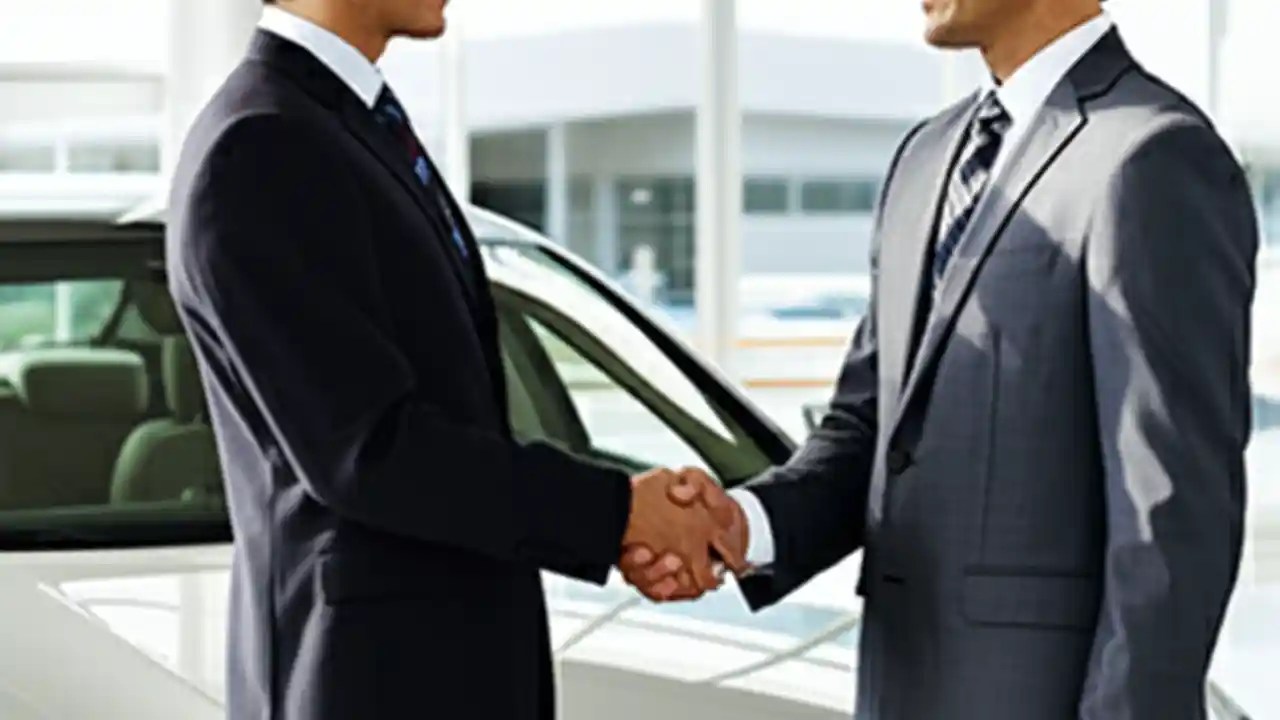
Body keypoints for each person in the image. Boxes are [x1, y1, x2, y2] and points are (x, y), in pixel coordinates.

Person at [623, 1, 1258, 717]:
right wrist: (742, 524)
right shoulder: (925, 158)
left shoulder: (1154, 156)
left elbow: (1170, 515)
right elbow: (870, 430)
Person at [166, 1, 741, 718]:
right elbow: (368, 451)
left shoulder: (342, 121)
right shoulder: (262, 145)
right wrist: (617, 513)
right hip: (373, 685)